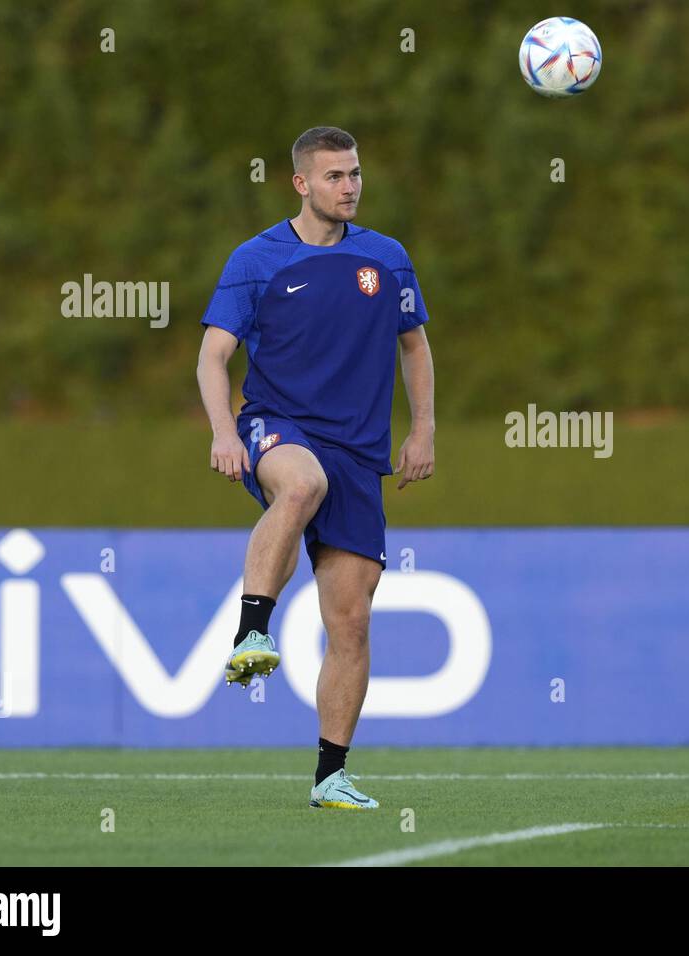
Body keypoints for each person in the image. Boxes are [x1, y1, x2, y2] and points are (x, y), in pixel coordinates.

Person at [196, 127, 436, 810]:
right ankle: (252, 632)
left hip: (361, 452)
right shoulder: (257, 259)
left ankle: (331, 774)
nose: (350, 186)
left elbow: (414, 347)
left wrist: (421, 431)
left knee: (352, 623)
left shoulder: (387, 259)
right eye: (334, 176)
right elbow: (214, 355)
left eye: (355, 173)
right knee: (301, 484)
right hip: (280, 426)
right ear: (302, 184)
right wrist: (223, 432)